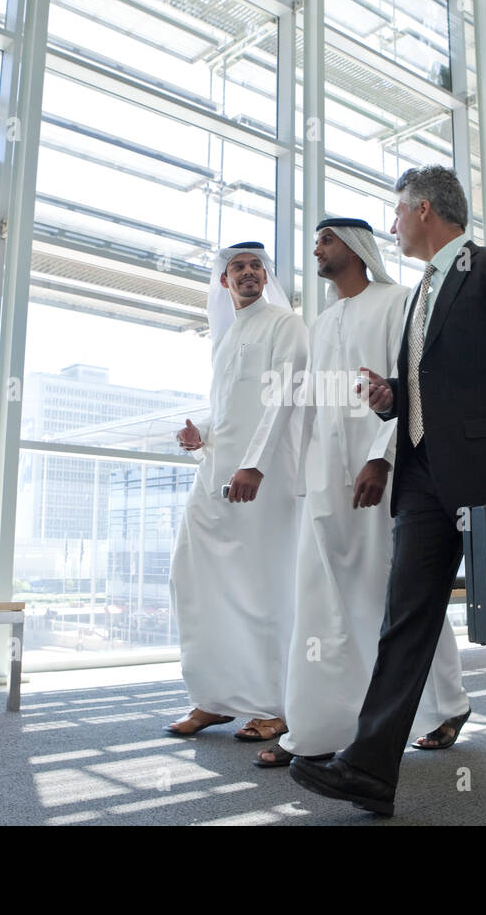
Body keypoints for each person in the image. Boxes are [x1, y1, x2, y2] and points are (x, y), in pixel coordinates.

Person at [289, 166, 486, 816]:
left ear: (422, 210)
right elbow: (425, 381)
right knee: (405, 619)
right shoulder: (420, 293)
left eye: (394, 213)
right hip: (421, 478)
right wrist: (390, 398)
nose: (389, 226)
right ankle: (367, 768)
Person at [254, 217, 470, 768]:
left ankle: (447, 702)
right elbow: (311, 406)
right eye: (317, 241)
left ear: (353, 248)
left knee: (394, 592)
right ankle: (324, 724)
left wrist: (382, 454)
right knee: (325, 594)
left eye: (325, 240)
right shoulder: (322, 322)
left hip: (388, 470)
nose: (317, 249)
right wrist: (301, 473)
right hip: (327, 475)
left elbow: (413, 385)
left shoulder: (400, 302)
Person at [166, 242, 308, 741]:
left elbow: (284, 398)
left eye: (255, 267)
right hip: (214, 476)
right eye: (237, 268)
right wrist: (199, 433)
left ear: (265, 278)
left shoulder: (284, 325)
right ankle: (215, 698)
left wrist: (255, 464)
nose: (248, 273)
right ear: (224, 282)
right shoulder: (224, 336)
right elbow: (230, 407)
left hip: (263, 481)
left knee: (263, 590)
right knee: (195, 580)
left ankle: (275, 705)